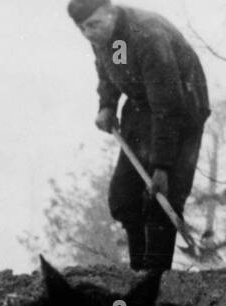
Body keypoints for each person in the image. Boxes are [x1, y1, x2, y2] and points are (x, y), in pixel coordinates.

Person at [69, 0, 211, 271]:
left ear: (110, 12)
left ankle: (155, 279)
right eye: (82, 28)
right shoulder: (107, 36)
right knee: (125, 197)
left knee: (162, 200)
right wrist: (108, 104)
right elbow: (111, 68)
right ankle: (138, 273)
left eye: (93, 25)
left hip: (182, 110)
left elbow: (167, 106)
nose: (88, 33)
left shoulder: (148, 36)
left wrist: (162, 166)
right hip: (142, 105)